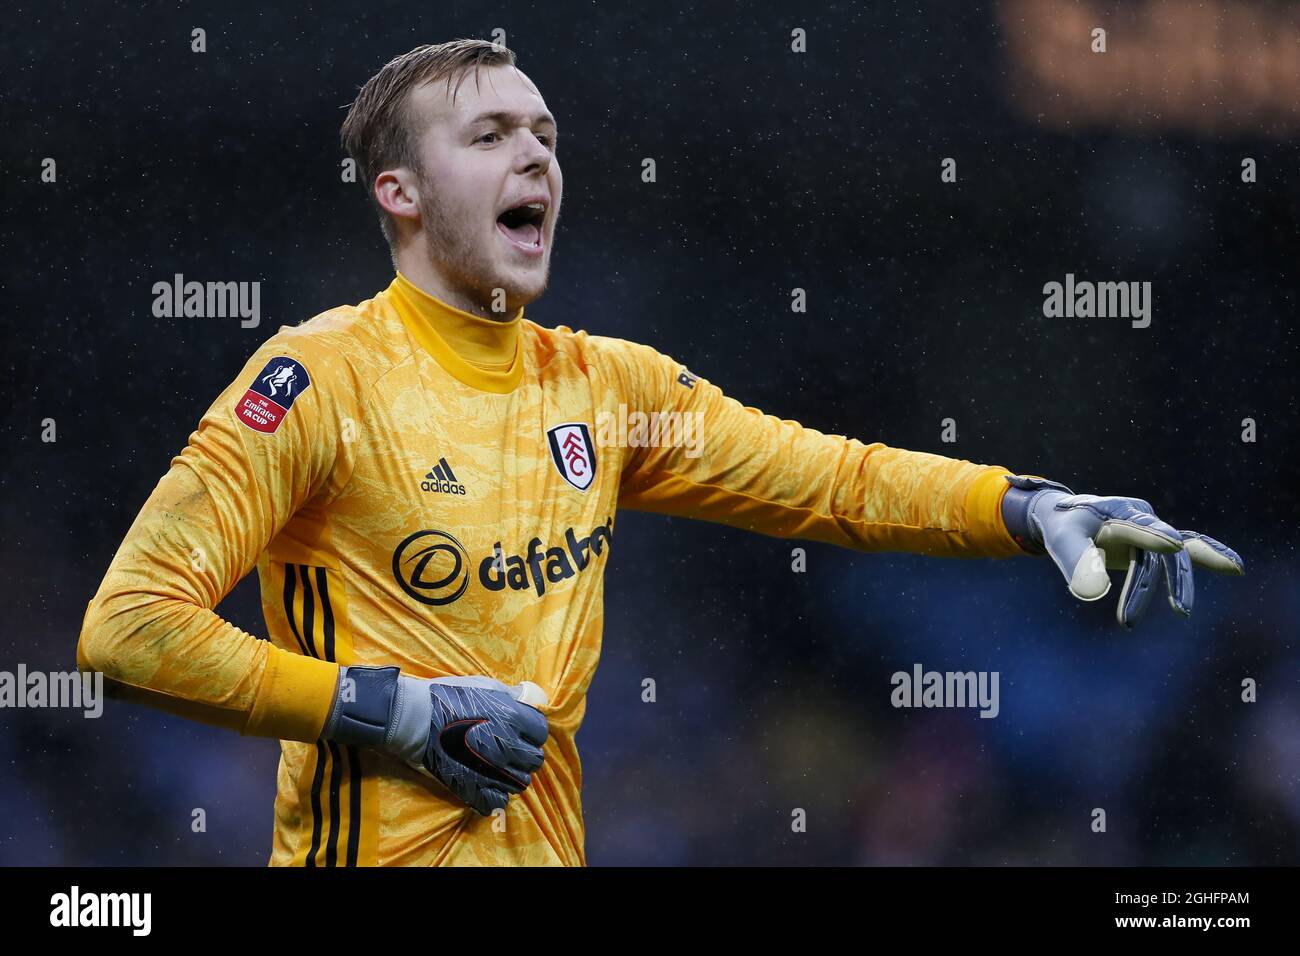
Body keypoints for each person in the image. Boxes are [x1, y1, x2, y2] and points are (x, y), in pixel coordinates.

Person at [78, 39, 1244, 866]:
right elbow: (127, 631)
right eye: (489, 136)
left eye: (545, 136)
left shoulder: (605, 385)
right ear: (400, 191)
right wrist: (397, 714)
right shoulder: (318, 378)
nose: (536, 158)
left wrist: (1023, 506)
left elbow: (828, 478)